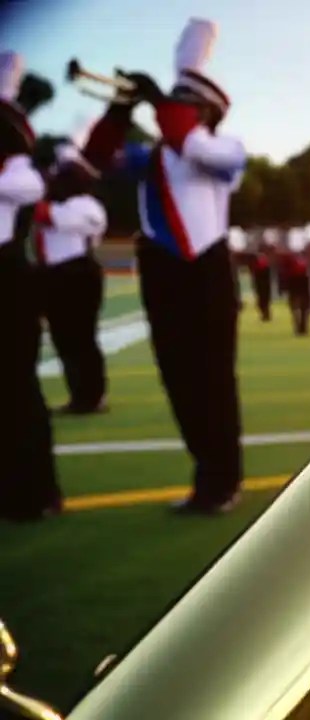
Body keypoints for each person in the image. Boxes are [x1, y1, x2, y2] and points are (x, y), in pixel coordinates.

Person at [81, 18, 246, 515]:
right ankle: (206, 476)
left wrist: (158, 101)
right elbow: (93, 159)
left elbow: (189, 142)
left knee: (214, 379)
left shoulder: (224, 150)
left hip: (208, 270)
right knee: (178, 379)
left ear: (208, 109)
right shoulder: (153, 155)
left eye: (185, 103)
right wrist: (118, 110)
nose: (175, 111)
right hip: (161, 270)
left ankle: (224, 481)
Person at [0, 50, 60, 522]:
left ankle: (36, 492)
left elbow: (29, 189)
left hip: (9, 280)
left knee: (17, 387)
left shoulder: (19, 174)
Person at [33, 137, 110, 415]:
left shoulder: (86, 206)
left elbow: (44, 214)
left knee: (81, 337)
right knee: (64, 338)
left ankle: (91, 396)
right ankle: (80, 395)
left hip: (77, 273)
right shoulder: (65, 202)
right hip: (56, 274)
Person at [279, 226, 310, 336]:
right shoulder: (304, 254)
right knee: (302, 304)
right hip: (300, 279)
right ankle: (302, 326)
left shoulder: (288, 256)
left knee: (297, 304)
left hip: (295, 279)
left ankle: (299, 326)